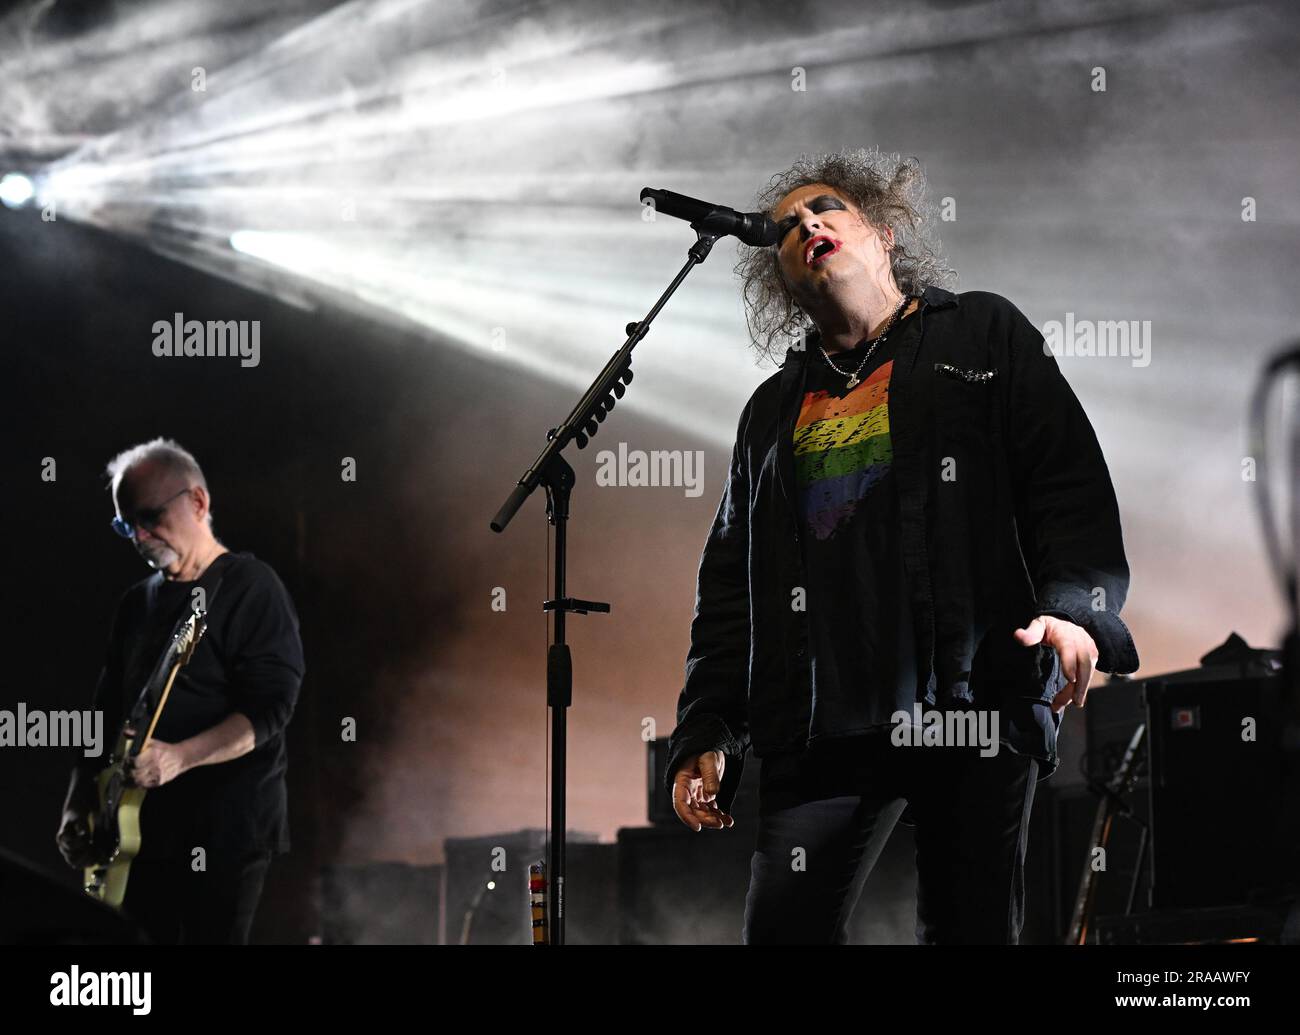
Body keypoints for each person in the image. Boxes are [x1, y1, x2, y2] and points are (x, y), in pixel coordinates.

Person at [664, 148, 1139, 944]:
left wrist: (1075, 611)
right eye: (785, 228)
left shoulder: (984, 333)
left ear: (884, 236)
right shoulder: (770, 413)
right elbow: (731, 591)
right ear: (780, 278)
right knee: (782, 931)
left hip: (971, 695)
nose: (807, 225)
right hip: (823, 727)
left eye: (827, 210)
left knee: (968, 930)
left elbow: (1067, 482)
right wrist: (707, 731)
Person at [55, 437, 304, 944]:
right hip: (140, 834)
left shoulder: (250, 587)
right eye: (126, 524)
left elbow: (271, 709)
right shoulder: (136, 604)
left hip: (225, 829)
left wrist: (180, 757)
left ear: (198, 502)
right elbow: (104, 712)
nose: (140, 536)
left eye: (149, 517)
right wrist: (79, 799)